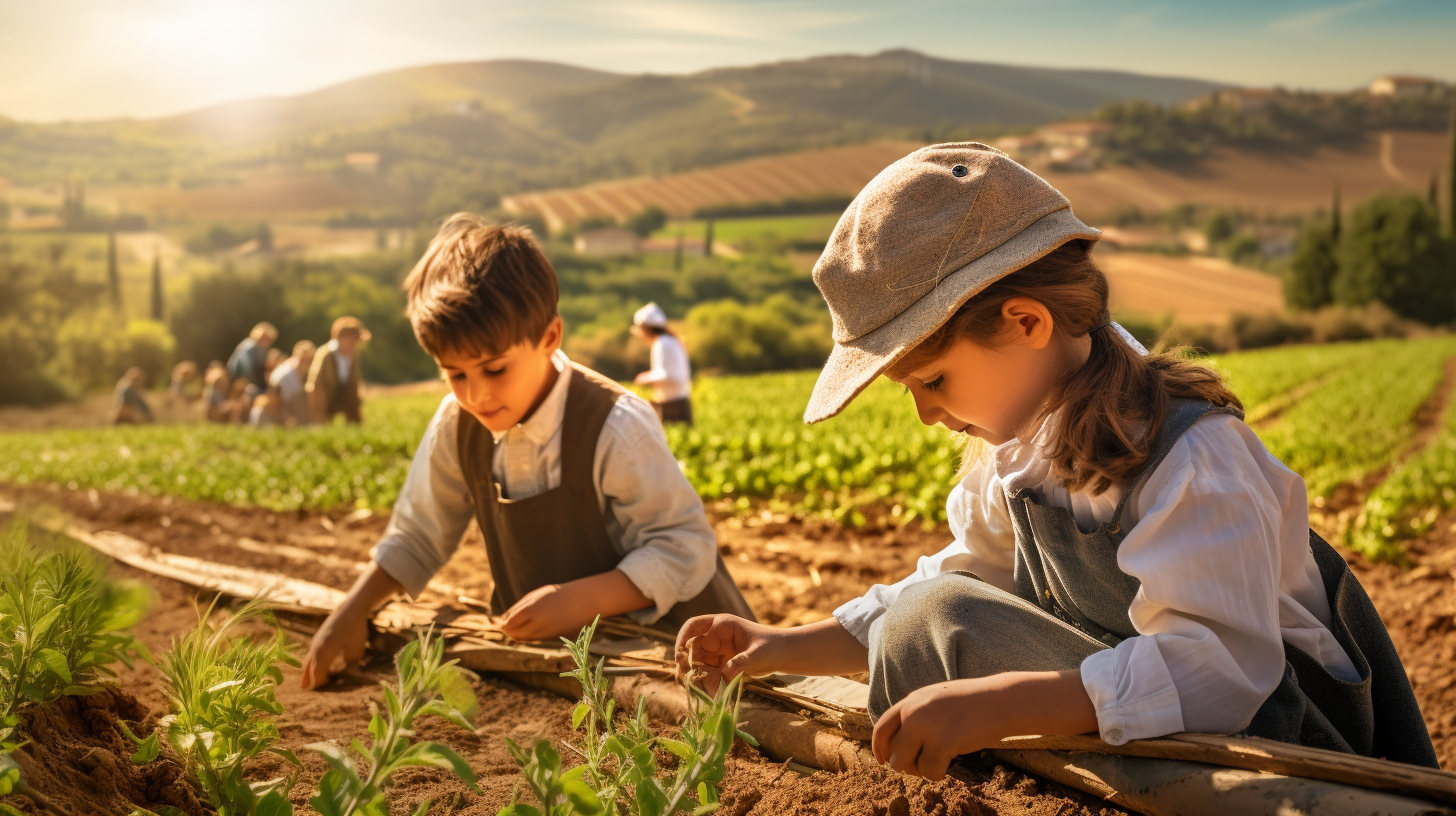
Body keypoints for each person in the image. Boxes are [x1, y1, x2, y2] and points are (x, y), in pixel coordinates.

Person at [673, 143, 1437, 779]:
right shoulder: (1017, 450)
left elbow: (1221, 672)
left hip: (1279, 753)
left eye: (932, 380)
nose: (927, 413)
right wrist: (779, 646)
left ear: (1028, 321)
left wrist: (1000, 704)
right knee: (923, 621)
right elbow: (964, 578)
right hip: (1155, 729)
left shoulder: (1195, 458)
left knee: (930, 629)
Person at [300, 215, 753, 690]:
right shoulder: (457, 424)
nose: (475, 395)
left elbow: (684, 547)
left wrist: (578, 601)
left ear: (549, 337)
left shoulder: (616, 426)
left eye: (494, 369)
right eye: (455, 375)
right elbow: (418, 535)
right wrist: (350, 612)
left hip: (682, 660)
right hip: (572, 664)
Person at [631, 302, 694, 425]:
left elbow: (668, 374)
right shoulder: (671, 341)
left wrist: (645, 378)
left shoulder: (662, 344)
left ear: (647, 328)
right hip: (679, 402)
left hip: (672, 406)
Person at [307, 317, 369, 424]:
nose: (353, 345)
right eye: (351, 341)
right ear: (340, 338)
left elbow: (354, 380)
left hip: (343, 391)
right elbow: (315, 385)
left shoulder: (355, 354)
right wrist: (318, 415)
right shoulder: (325, 354)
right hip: (325, 394)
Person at [269, 340, 316, 426]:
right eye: (304, 359)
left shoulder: (305, 372)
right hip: (281, 410)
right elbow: (280, 402)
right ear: (296, 357)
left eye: (309, 360)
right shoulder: (284, 375)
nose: (307, 363)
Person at [227, 322, 278, 400]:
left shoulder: (262, 348)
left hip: (253, 380)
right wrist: (260, 385)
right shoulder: (249, 347)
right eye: (265, 337)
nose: (268, 341)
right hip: (239, 379)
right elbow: (247, 369)